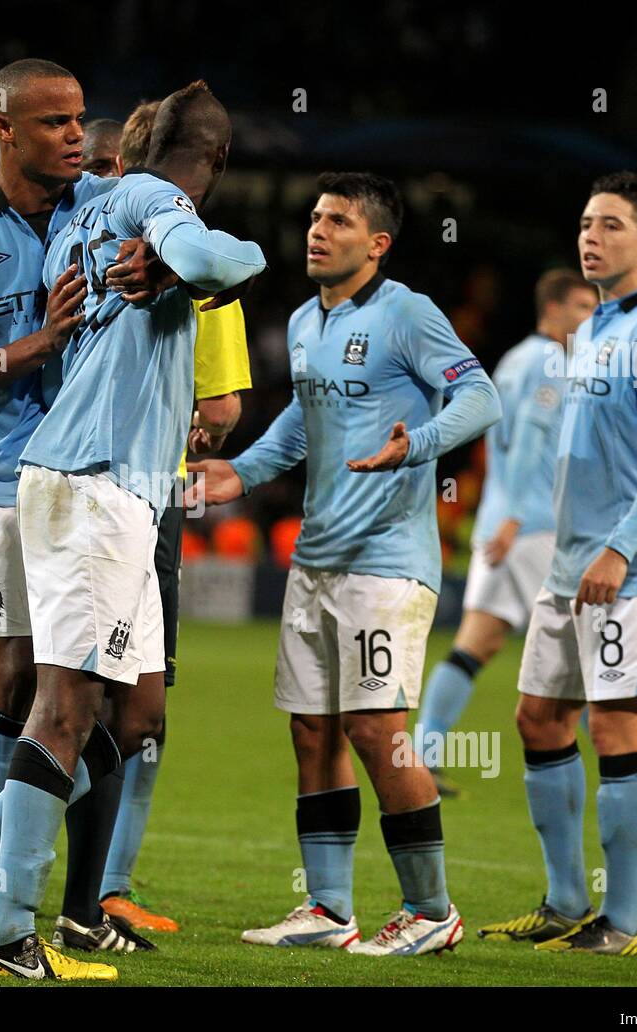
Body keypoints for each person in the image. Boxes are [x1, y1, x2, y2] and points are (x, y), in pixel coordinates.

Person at [0, 80, 266, 980]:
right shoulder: (153, 202)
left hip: (111, 488)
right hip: (94, 485)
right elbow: (227, 263)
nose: (75, 140)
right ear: (217, 163)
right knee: (60, 702)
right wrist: (197, 254)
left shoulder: (88, 216)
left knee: (129, 706)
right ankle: (4, 930)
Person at [192, 172, 501, 956]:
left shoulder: (409, 314)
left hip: (387, 562)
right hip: (317, 557)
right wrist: (243, 472)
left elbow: (480, 396)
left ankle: (431, 909)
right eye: (315, 217)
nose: (318, 230)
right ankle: (328, 908)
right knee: (312, 730)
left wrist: (418, 444)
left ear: (378, 243)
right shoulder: (304, 321)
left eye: (338, 220)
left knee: (376, 730)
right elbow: (302, 419)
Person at [0, 60, 164, 956]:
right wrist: (36, 344)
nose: (77, 138)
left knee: (127, 709)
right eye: (55, 123)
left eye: (82, 120)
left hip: (94, 481)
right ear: (4, 129)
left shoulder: (103, 204)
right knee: (15, 681)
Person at [479, 173, 637, 954]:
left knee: (615, 726)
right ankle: (567, 898)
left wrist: (619, 547)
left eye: (609, 224)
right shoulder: (595, 328)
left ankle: (625, 919)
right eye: (584, 222)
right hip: (570, 570)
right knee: (538, 716)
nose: (590, 235)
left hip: (632, 568)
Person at [414, 269, 596, 796]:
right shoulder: (548, 361)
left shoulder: (515, 360)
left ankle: (423, 756)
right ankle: (624, 759)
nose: (590, 321)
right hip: (531, 529)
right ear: (554, 308)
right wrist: (516, 515)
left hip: (512, 524)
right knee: (585, 643)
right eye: (583, 308)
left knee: (481, 644)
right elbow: (531, 442)